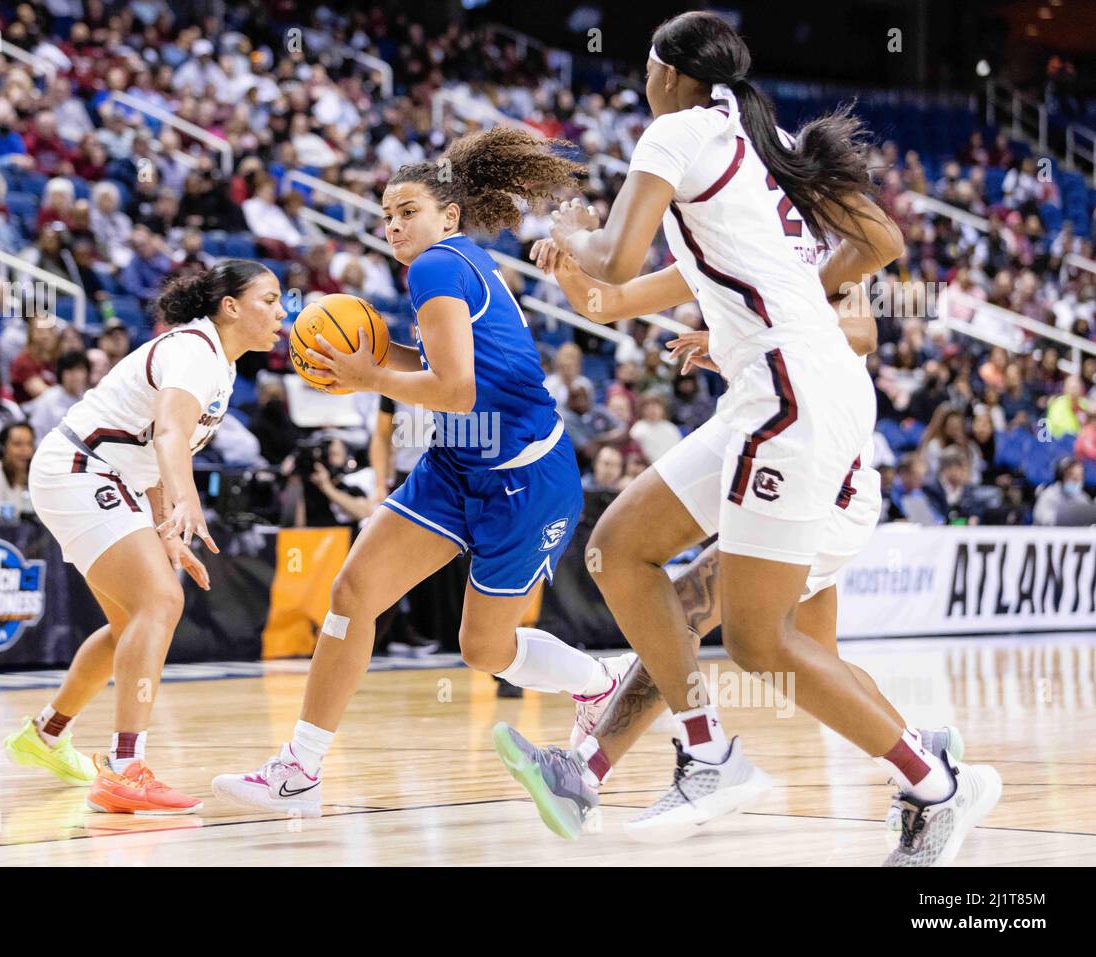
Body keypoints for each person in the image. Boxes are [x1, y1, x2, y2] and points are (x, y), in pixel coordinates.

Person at [495, 12, 998, 866]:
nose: (642, 76)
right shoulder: (756, 153)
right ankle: (707, 752)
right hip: (773, 397)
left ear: (668, 72)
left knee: (760, 640)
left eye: (647, 62)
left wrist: (579, 231)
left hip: (794, 399)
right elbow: (611, 298)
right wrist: (573, 266)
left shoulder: (679, 132)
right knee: (620, 550)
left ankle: (932, 784)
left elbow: (616, 258)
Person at [212, 128, 634, 818]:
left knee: (482, 646)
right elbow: (443, 372)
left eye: (407, 210)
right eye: (386, 214)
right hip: (460, 459)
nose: (394, 224)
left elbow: (458, 388)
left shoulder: (437, 265)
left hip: (523, 474)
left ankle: (599, 682)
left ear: (449, 216)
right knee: (353, 592)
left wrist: (368, 373)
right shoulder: (456, 262)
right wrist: (374, 354)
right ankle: (300, 769)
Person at [3, 259, 284, 816]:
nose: (282, 311)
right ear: (230, 307)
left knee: (132, 622)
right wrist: (187, 503)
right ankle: (125, 768)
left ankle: (46, 734)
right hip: (80, 469)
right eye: (270, 299)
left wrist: (166, 531)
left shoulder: (220, 366)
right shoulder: (192, 351)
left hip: (108, 477)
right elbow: (169, 433)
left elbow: (152, 460)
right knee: (161, 601)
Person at [0, 421, 35, 519]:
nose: (25, 450)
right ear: (2, 447)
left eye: (29, 444)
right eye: (18, 444)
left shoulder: (36, 475)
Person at [1034, 458, 1092, 525]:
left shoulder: (1082, 498)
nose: (1076, 480)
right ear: (1060, 477)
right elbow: (1047, 521)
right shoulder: (1048, 496)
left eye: (1079, 476)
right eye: (1072, 476)